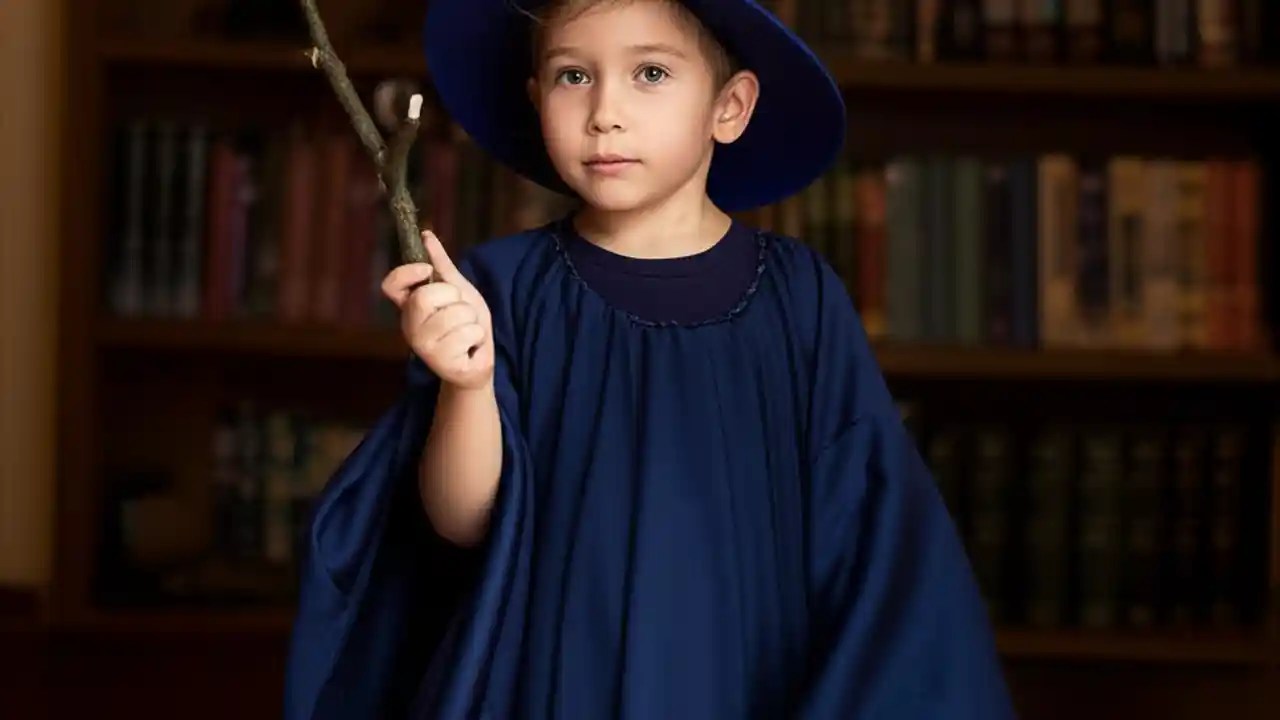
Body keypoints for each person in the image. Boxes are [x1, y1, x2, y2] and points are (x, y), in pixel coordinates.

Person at [284, 0, 1016, 718]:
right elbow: (460, 522)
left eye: (652, 74)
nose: (605, 111)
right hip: (555, 676)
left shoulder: (801, 298)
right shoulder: (499, 291)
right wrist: (467, 384)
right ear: (537, 99)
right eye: (574, 77)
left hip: (746, 677)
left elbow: (871, 539)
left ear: (729, 107)